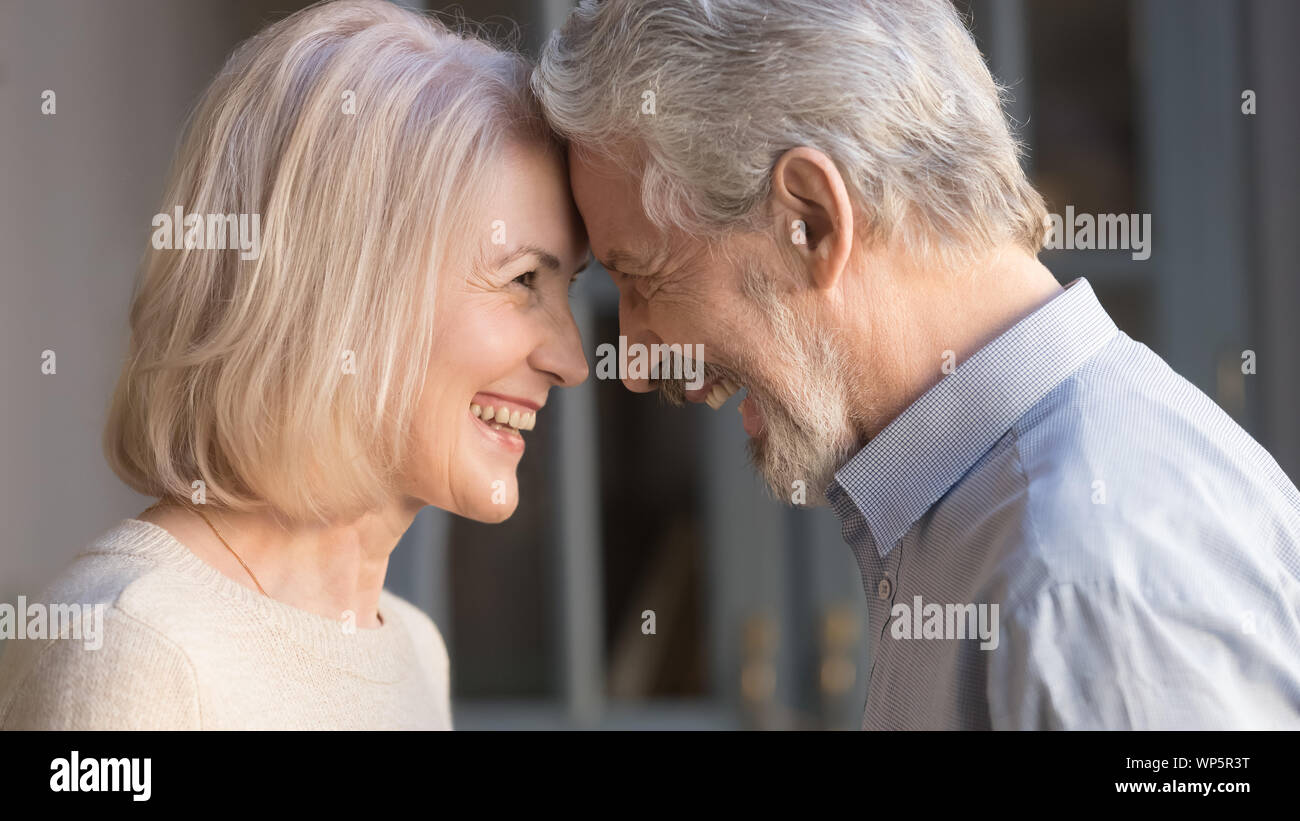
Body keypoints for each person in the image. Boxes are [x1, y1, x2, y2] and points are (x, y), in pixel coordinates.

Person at [532, 0, 1300, 729]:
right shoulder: (1004, 523)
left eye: (644, 278)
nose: (630, 361)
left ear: (812, 222)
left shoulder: (1077, 586)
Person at [0, 0, 588, 729]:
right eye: (525, 279)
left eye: (572, 286)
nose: (571, 358)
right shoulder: (134, 649)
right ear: (345, 289)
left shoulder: (412, 648)